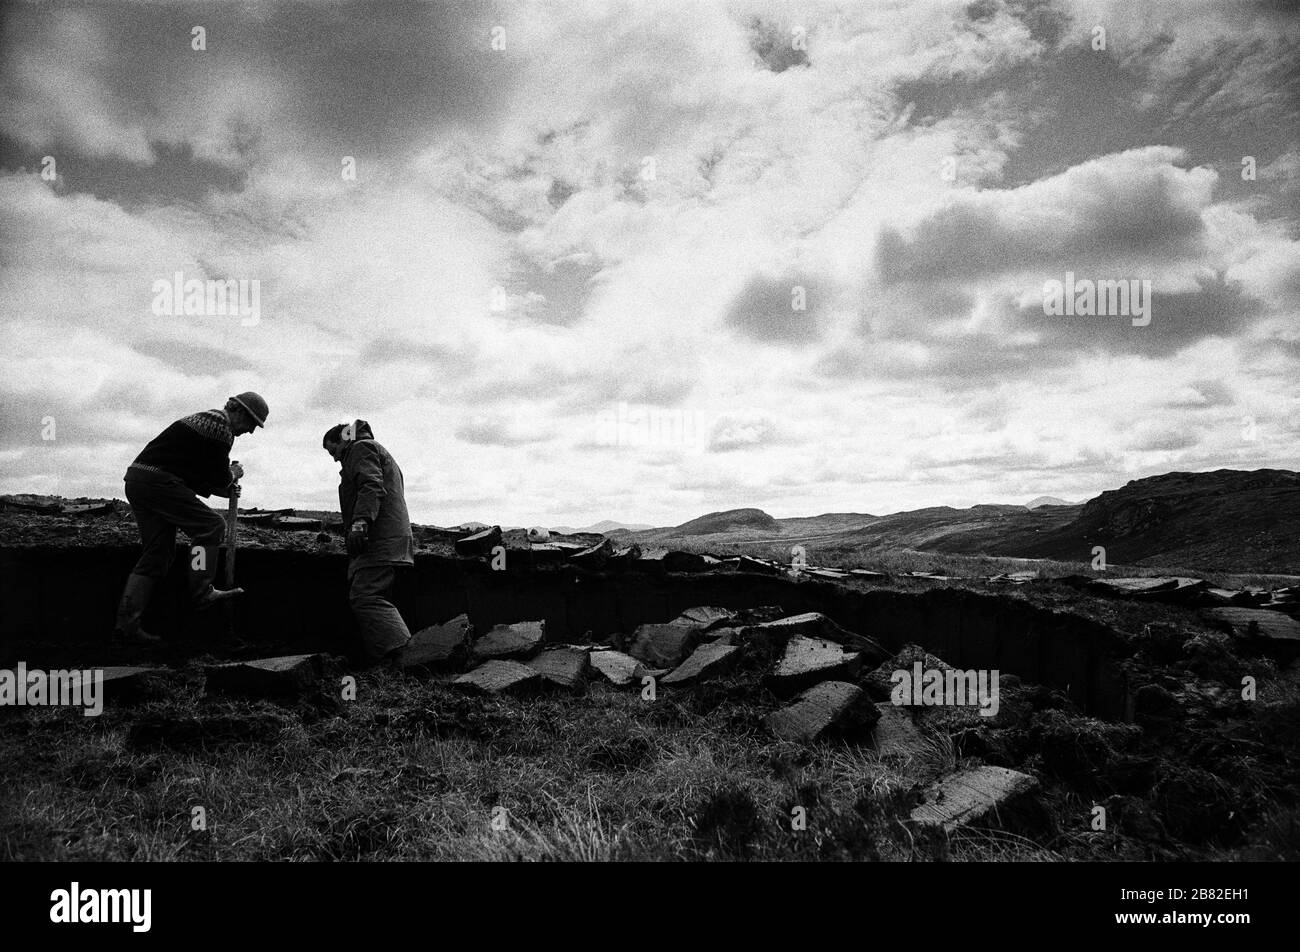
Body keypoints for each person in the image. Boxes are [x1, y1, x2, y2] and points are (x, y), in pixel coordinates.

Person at [113, 392, 269, 644]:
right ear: (239, 411)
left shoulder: (206, 423)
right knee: (210, 527)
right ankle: (202, 591)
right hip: (158, 482)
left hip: (139, 480)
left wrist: (224, 486)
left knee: (157, 554)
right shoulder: (220, 426)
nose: (250, 431)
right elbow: (218, 476)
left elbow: (196, 476)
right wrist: (232, 475)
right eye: (252, 424)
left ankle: (126, 626)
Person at [322, 419, 414, 665]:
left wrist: (360, 522)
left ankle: (405, 658)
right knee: (376, 595)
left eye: (333, 451)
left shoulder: (361, 448)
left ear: (343, 439)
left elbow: (371, 485)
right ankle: (388, 659)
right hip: (388, 536)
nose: (334, 459)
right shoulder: (372, 449)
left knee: (366, 596)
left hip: (379, 538)